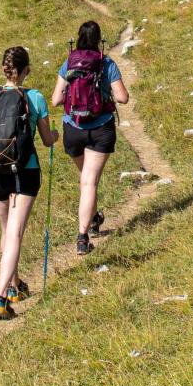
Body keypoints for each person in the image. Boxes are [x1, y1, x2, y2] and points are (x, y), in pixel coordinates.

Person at [0, 45, 58, 319]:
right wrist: (54, 135)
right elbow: (45, 139)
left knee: (6, 229)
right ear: (27, 69)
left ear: (3, 69)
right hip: (24, 171)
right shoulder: (36, 98)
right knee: (16, 233)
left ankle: (15, 285)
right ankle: (1, 297)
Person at [52, 19, 130, 256]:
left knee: (86, 179)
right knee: (89, 182)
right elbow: (123, 98)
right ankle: (83, 236)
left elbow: (55, 100)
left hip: (73, 129)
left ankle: (94, 218)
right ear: (99, 40)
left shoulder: (70, 63)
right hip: (100, 129)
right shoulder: (106, 63)